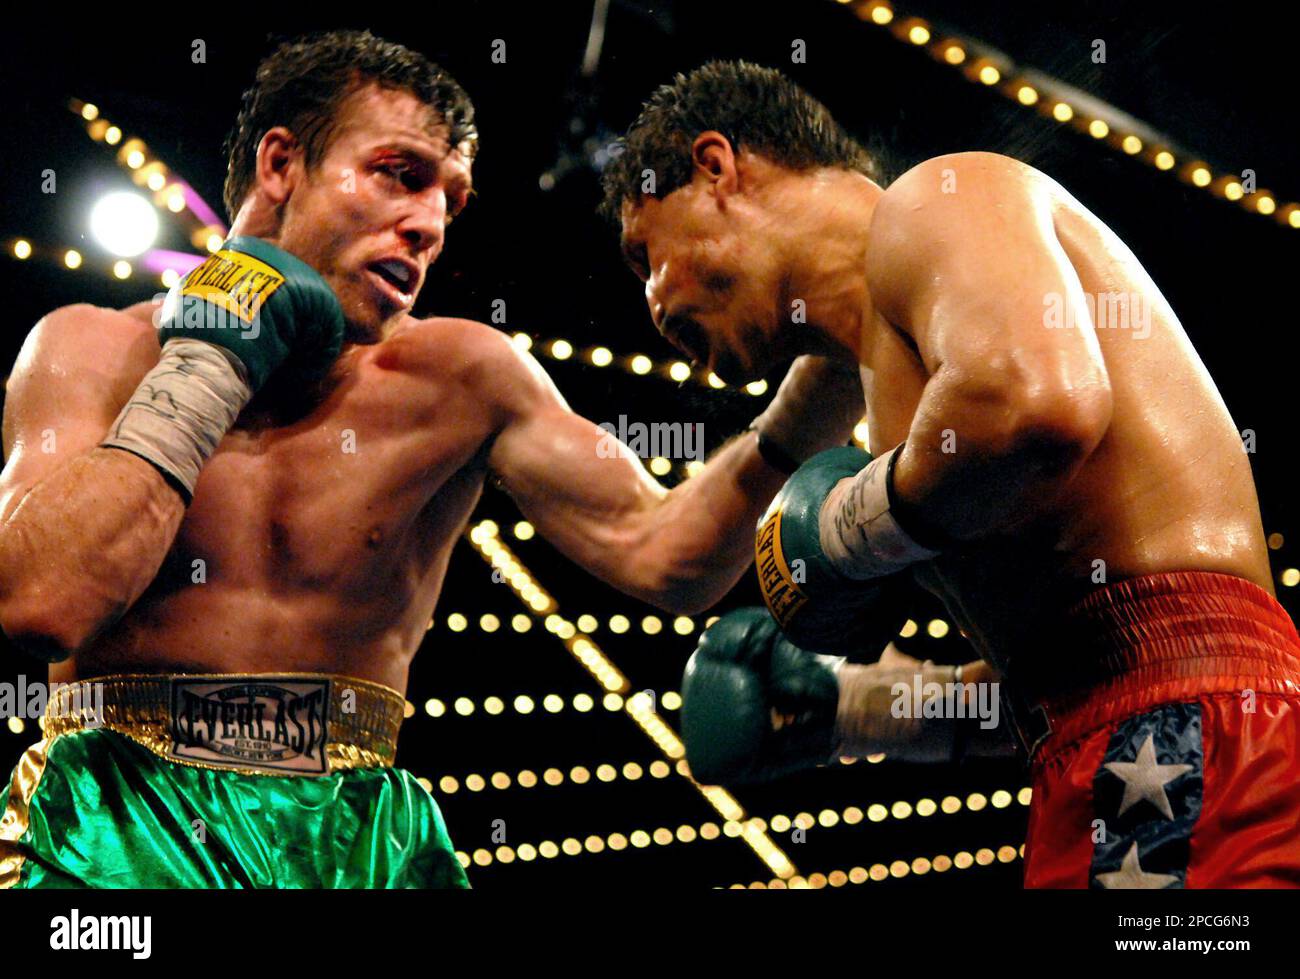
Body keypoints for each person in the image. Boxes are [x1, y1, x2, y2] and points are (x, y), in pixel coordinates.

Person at [0, 34, 861, 889]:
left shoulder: (463, 375)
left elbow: (667, 552)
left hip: (358, 838)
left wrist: (835, 363)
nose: (430, 225)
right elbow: (41, 601)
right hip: (110, 823)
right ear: (280, 165)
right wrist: (208, 362)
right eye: (399, 174)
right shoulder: (92, 350)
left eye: (450, 198)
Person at [604, 61, 1300, 888]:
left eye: (646, 254)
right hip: (1118, 750)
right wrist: (859, 709)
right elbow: (1063, 681)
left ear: (716, 166)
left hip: (1192, 734)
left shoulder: (938, 199)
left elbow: (1035, 406)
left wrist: (844, 534)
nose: (653, 304)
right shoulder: (897, 409)